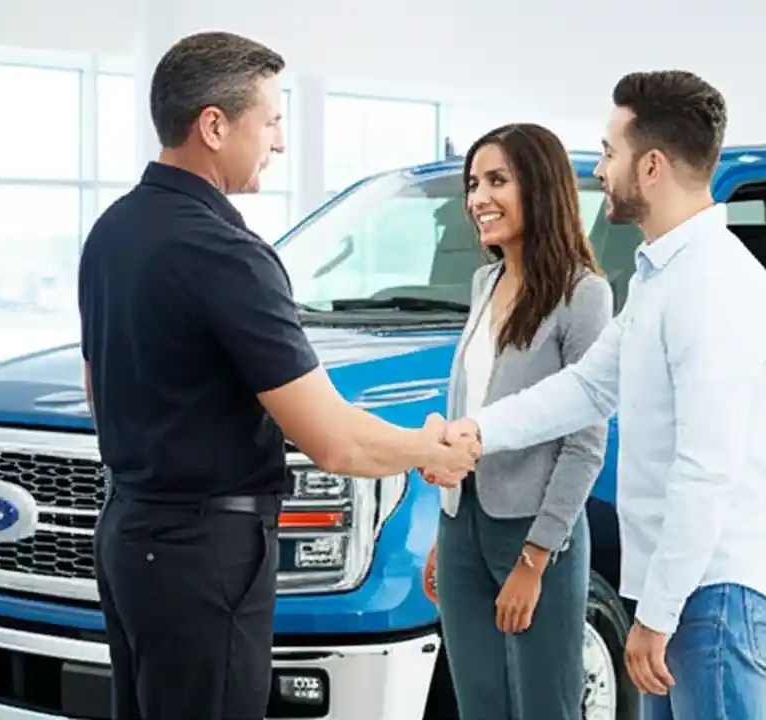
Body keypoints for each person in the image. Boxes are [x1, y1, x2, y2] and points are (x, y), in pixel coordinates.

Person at [78, 31, 475, 720]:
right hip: (204, 556)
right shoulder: (227, 253)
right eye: (271, 121)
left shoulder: (112, 232)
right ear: (213, 125)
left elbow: (97, 390)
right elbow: (334, 443)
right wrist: (428, 450)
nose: (280, 142)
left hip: (127, 536)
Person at [444, 70, 766, 720]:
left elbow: (706, 468)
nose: (600, 170)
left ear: (652, 166)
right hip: (682, 584)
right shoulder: (661, 276)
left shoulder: (712, 285)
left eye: (610, 152)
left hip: (717, 589)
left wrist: (657, 614)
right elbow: (586, 387)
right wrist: (477, 433)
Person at [420, 123, 614, 720]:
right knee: (479, 705)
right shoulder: (486, 281)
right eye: (473, 184)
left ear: (540, 185)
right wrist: (445, 535)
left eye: (496, 181)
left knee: (544, 707)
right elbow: (470, 406)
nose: (478, 198)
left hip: (535, 531)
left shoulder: (584, 295)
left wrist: (534, 559)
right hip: (462, 524)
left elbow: (586, 442)